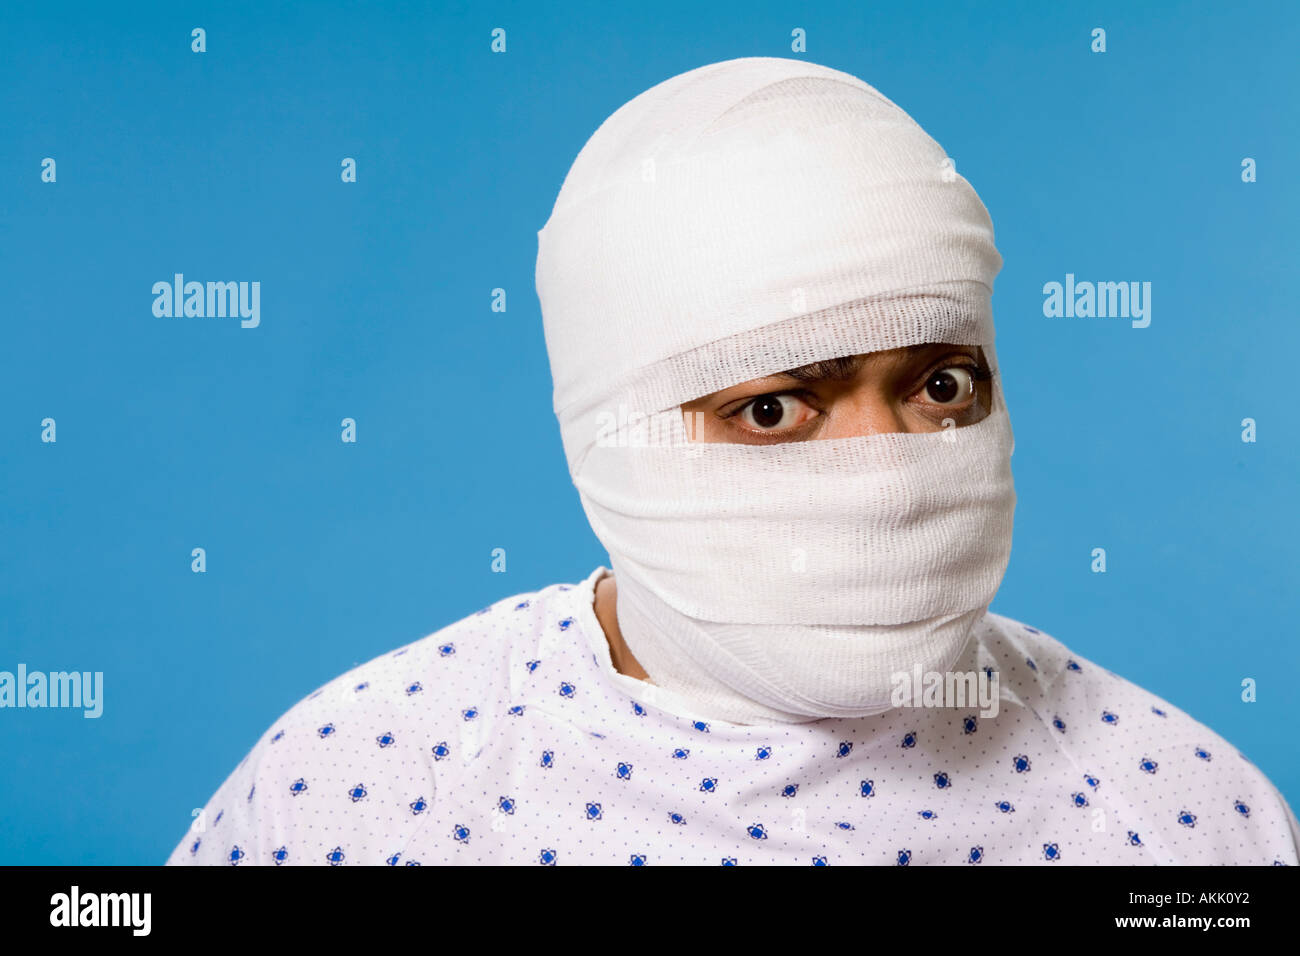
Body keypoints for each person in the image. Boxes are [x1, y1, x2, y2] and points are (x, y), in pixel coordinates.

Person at [166, 56, 1299, 866]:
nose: (888, 471)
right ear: (610, 429)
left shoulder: (1181, 817)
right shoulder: (365, 782)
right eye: (772, 407)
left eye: (938, 385)